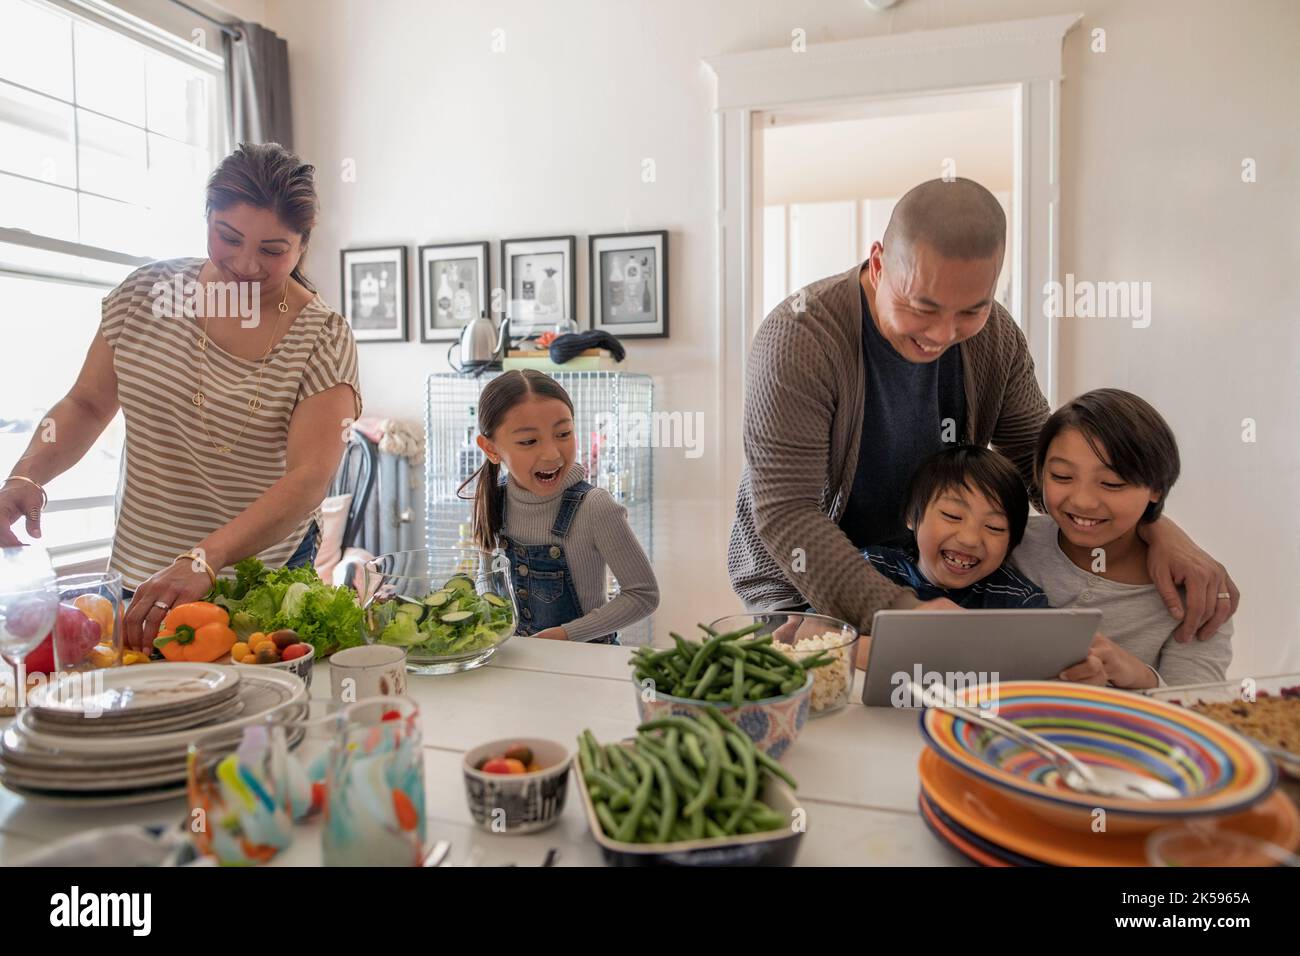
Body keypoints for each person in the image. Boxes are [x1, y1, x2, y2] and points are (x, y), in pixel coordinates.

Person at [728, 177, 1237, 643]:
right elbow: (787, 512)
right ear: (879, 263)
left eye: (972, 309)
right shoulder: (799, 338)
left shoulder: (996, 337)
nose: (942, 335)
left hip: (929, 575)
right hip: (800, 582)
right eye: (922, 307)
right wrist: (897, 611)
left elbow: (1044, 468)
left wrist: (1154, 526)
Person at [0, 143, 362, 651]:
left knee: (256, 726)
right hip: (140, 579)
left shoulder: (322, 336)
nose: (244, 264)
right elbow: (86, 404)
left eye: (272, 250)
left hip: (256, 590)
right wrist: (26, 473)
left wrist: (203, 560)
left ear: (303, 246)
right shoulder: (145, 295)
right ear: (207, 217)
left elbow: (307, 479)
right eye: (228, 237)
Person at [1012, 389, 1232, 687]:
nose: (1084, 501)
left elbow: (1198, 713)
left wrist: (1138, 676)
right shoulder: (1009, 544)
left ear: (1156, 488)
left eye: (1112, 483)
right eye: (1062, 476)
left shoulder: (1196, 592)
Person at [458, 370, 658, 644]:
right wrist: (491, 616)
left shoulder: (595, 507)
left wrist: (568, 634)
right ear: (491, 449)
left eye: (563, 433)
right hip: (520, 661)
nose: (552, 453)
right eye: (529, 441)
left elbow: (643, 595)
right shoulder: (493, 500)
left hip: (586, 665)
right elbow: (487, 577)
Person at [862, 445, 1048, 610]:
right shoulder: (871, 569)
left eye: (994, 527)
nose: (970, 539)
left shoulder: (1020, 602)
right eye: (952, 516)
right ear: (911, 515)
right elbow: (836, 637)